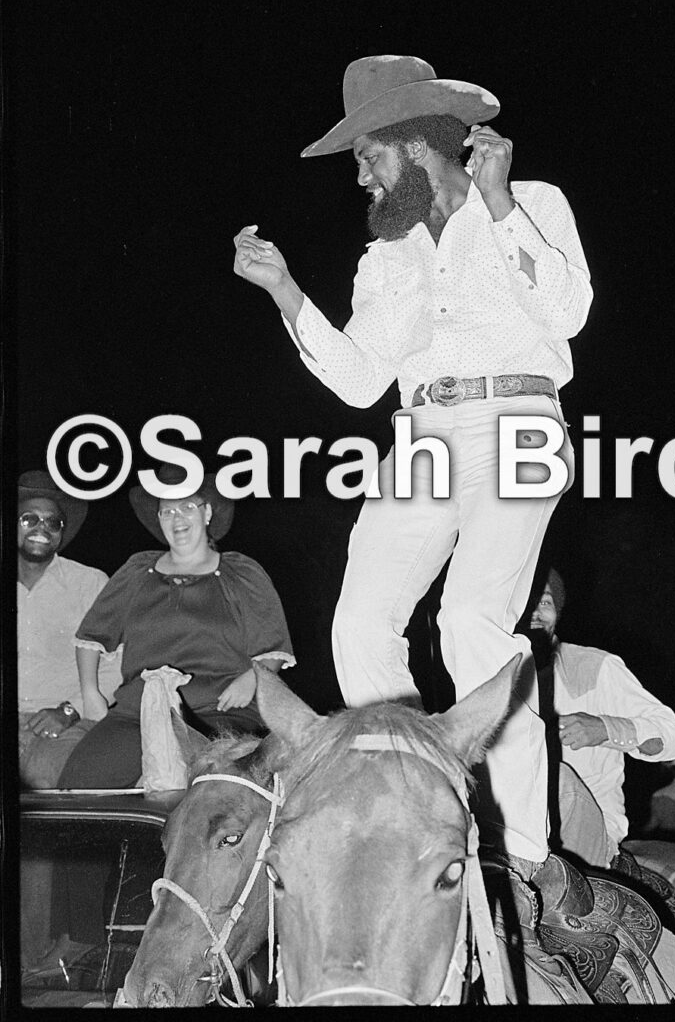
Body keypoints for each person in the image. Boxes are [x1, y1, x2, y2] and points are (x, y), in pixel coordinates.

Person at [232, 55, 593, 901]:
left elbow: (570, 313)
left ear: (416, 144)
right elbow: (361, 379)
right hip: (422, 431)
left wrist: (499, 205)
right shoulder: (384, 256)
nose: (359, 174)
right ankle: (402, 796)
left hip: (518, 423)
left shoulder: (533, 206)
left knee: (472, 618)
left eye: (368, 154)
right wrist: (285, 291)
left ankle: (529, 857)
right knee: (357, 624)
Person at [58, 464, 294, 788]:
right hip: (135, 712)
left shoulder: (240, 573)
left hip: (216, 712)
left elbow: (274, 648)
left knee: (210, 798)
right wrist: (90, 692)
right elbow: (91, 636)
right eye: (167, 511)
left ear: (207, 512)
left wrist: (251, 677)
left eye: (187, 507)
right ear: (159, 520)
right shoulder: (138, 571)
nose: (178, 518)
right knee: (76, 786)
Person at [528, 568, 675, 868]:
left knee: (557, 778)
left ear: (558, 612)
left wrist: (606, 729)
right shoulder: (494, 676)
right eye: (525, 601)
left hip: (587, 831)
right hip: (514, 835)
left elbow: (672, 737)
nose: (535, 612)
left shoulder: (596, 667)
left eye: (545, 602)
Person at [17, 470, 121, 789]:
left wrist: (68, 711)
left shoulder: (90, 583)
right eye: (29, 519)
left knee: (49, 784)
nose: (42, 528)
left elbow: (117, 667)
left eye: (53, 522)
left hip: (63, 726)